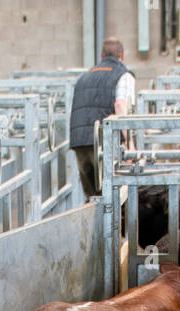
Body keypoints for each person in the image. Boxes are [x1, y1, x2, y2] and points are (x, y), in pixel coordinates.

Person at [69, 37, 135, 197]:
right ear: (122, 55)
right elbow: (120, 106)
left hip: (80, 142)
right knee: (111, 197)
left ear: (101, 55)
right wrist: (129, 143)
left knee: (92, 198)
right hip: (103, 141)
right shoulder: (123, 75)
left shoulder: (84, 77)